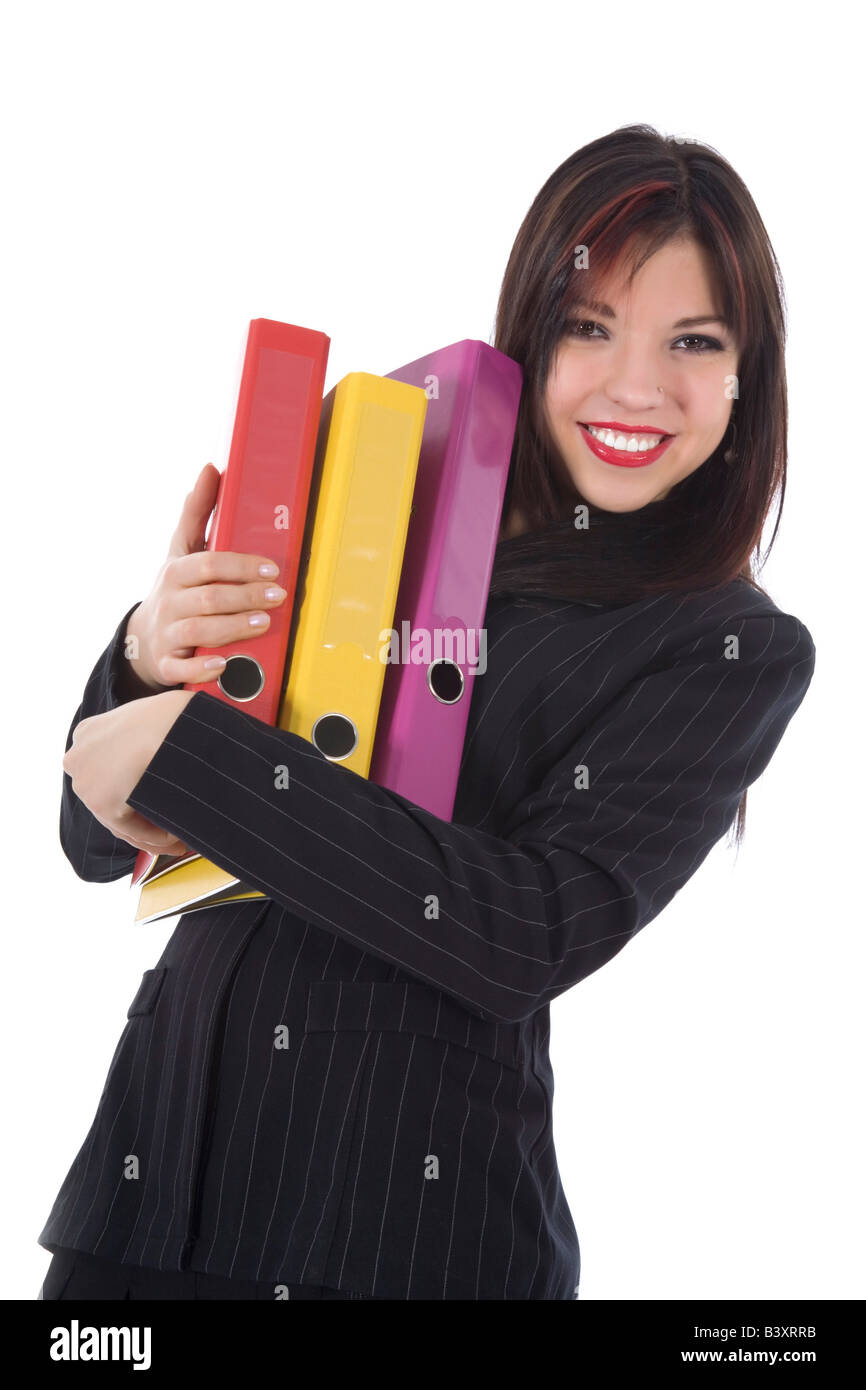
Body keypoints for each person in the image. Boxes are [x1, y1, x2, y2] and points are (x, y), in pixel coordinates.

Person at [37, 124, 816, 1301]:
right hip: (146, 1208)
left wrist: (191, 755)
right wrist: (153, 655)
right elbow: (96, 841)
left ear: (745, 373)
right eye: (586, 327)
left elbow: (527, 930)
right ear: (527, 336)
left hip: (395, 1241)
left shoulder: (722, 642)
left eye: (693, 342)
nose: (634, 387)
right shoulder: (388, 509)